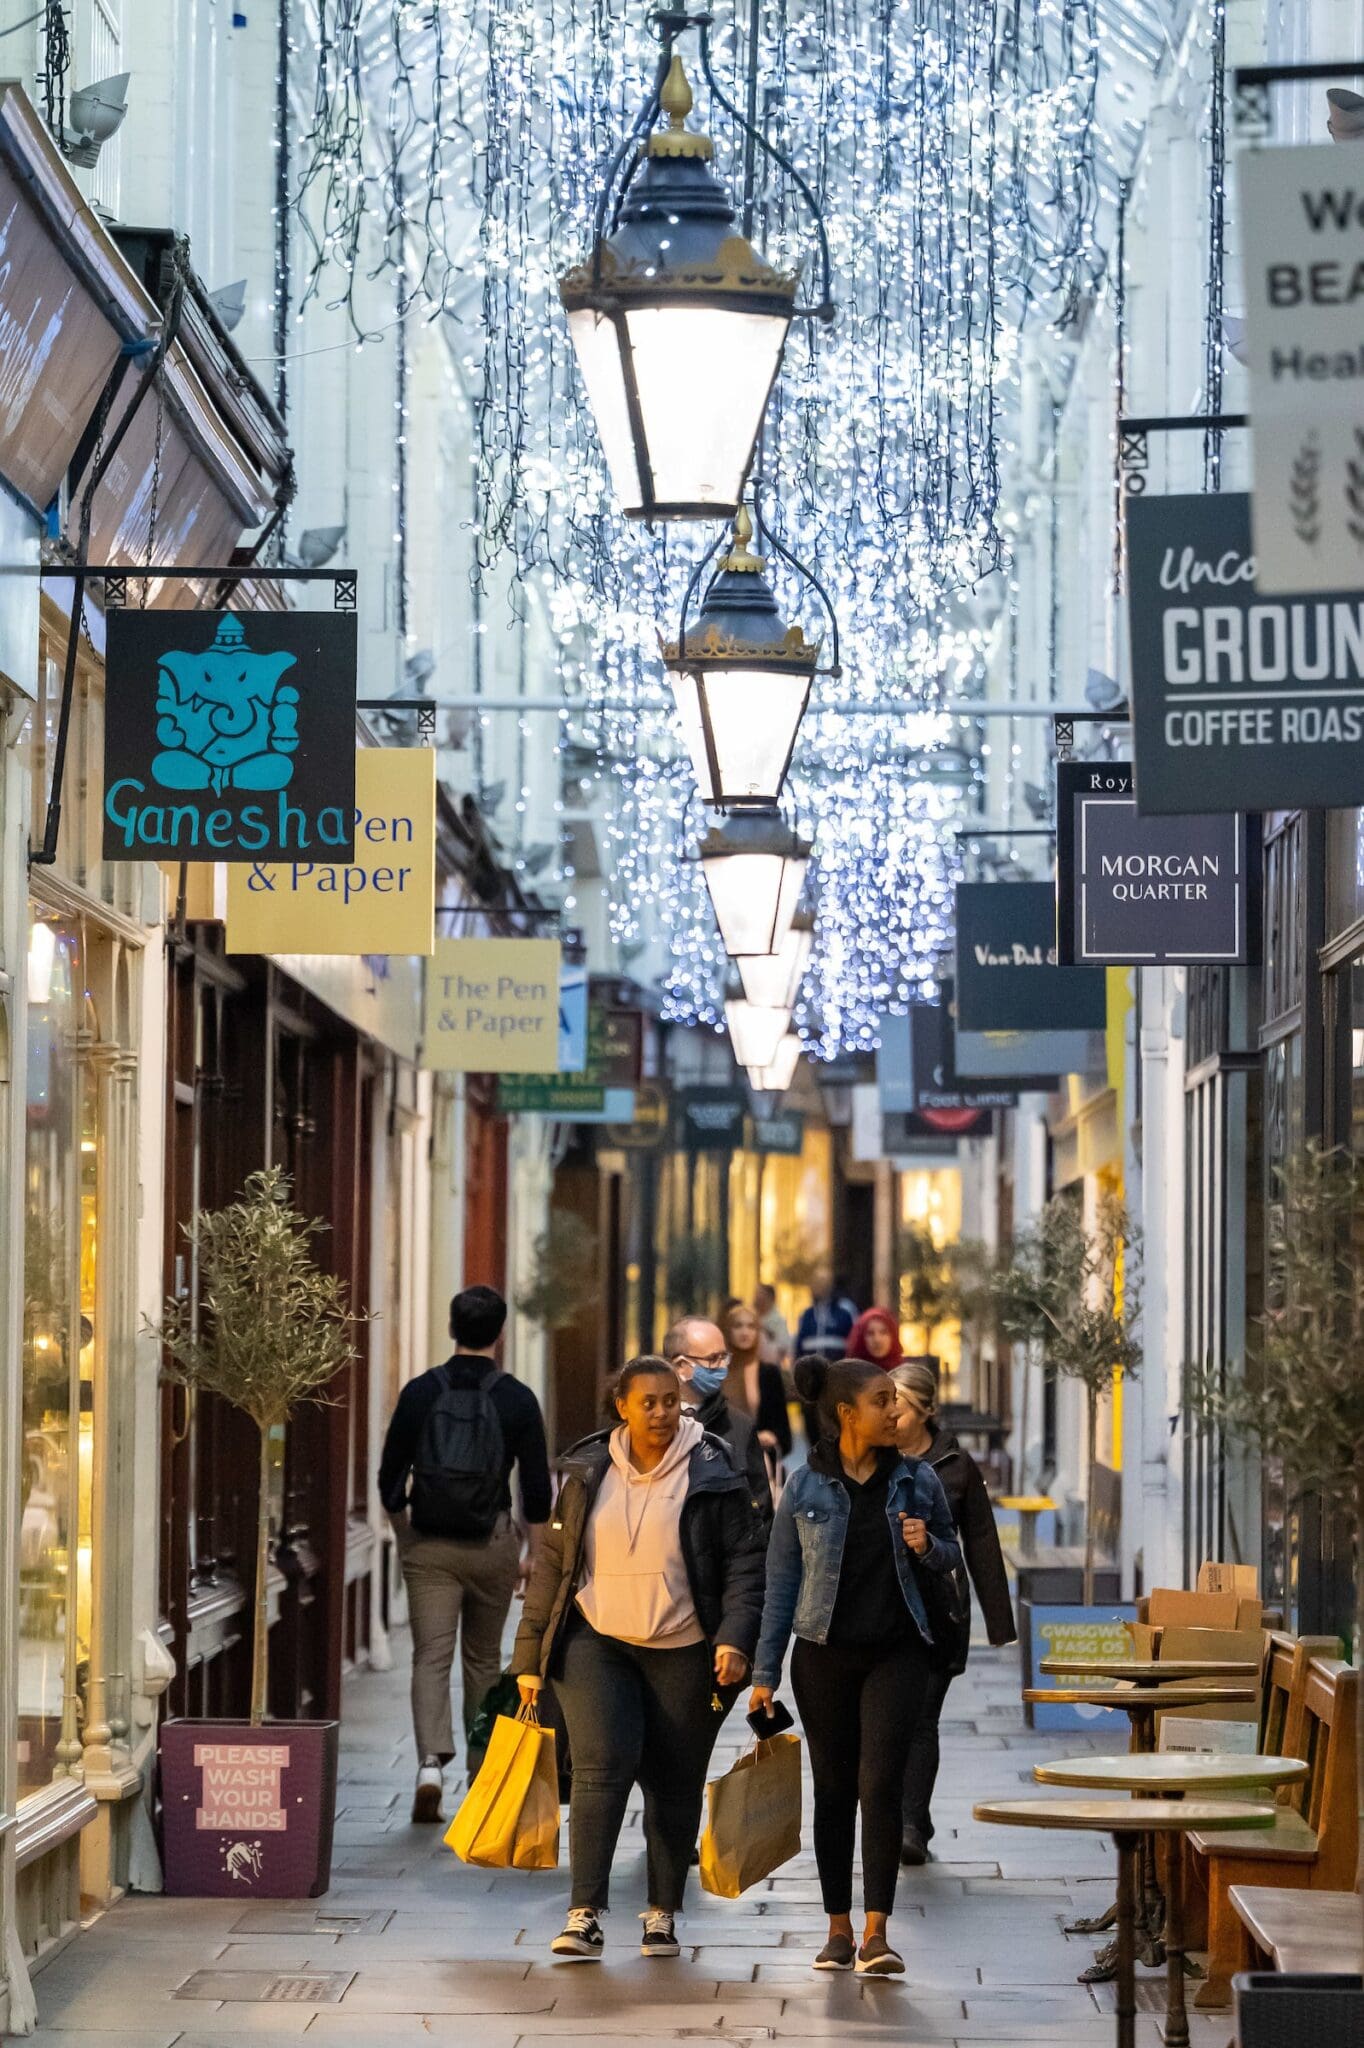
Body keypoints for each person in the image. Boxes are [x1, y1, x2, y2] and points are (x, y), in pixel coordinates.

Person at [513, 1356, 766, 1963]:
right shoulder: (586, 1469)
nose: (660, 1412)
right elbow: (553, 1563)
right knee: (601, 1766)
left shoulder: (713, 1468)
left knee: (673, 1781)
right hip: (594, 1638)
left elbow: (744, 1563)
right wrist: (528, 1657)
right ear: (620, 1406)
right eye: (646, 1402)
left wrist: (734, 1639)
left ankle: (661, 1915)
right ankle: (584, 1915)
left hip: (683, 1644)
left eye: (669, 1401)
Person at [749, 1355, 961, 1978]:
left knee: (880, 1785)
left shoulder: (918, 1480)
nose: (896, 1412)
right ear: (846, 1414)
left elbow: (950, 1552)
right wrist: (765, 1674)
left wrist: (928, 1546)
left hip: (899, 1652)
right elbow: (782, 1579)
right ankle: (837, 1927)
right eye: (882, 1401)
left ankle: (877, 1933)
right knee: (835, 1789)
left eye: (896, 1401)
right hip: (822, 1655)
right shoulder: (805, 1486)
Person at [378, 1284, 551, 1823]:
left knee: (430, 1657)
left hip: (430, 1543)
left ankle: (430, 1764)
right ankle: (482, 1776)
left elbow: (389, 1481)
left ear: (452, 1329)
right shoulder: (517, 1398)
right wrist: (536, 1557)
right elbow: (537, 1492)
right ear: (500, 1334)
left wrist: (408, 1537)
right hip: (493, 1545)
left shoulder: (419, 1392)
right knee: (482, 1661)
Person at [890, 1359, 1015, 1866]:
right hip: (885, 1611)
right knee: (889, 1722)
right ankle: (896, 1816)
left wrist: (999, 1625)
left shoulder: (957, 1466)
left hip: (940, 1611)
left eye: (896, 1403)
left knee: (922, 1719)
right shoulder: (872, 1457)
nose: (888, 1412)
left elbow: (982, 1543)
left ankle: (912, 1825)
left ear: (924, 1411)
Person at [662, 1314, 774, 1524]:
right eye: (713, 1359)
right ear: (680, 1366)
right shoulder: (654, 1422)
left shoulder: (739, 1426)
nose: (722, 1367)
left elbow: (761, 1510)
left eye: (725, 1357)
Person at [723, 1301, 793, 1472]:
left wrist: (772, 1437)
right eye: (738, 1326)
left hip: (760, 1467)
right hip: (724, 1463)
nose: (745, 1332)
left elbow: (784, 1433)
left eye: (751, 1326)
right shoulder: (717, 1373)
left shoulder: (769, 1373)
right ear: (728, 1331)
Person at [755, 1281, 792, 1368]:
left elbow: (783, 1346)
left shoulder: (779, 1321)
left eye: (760, 1294)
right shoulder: (751, 1317)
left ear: (770, 1298)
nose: (756, 1297)